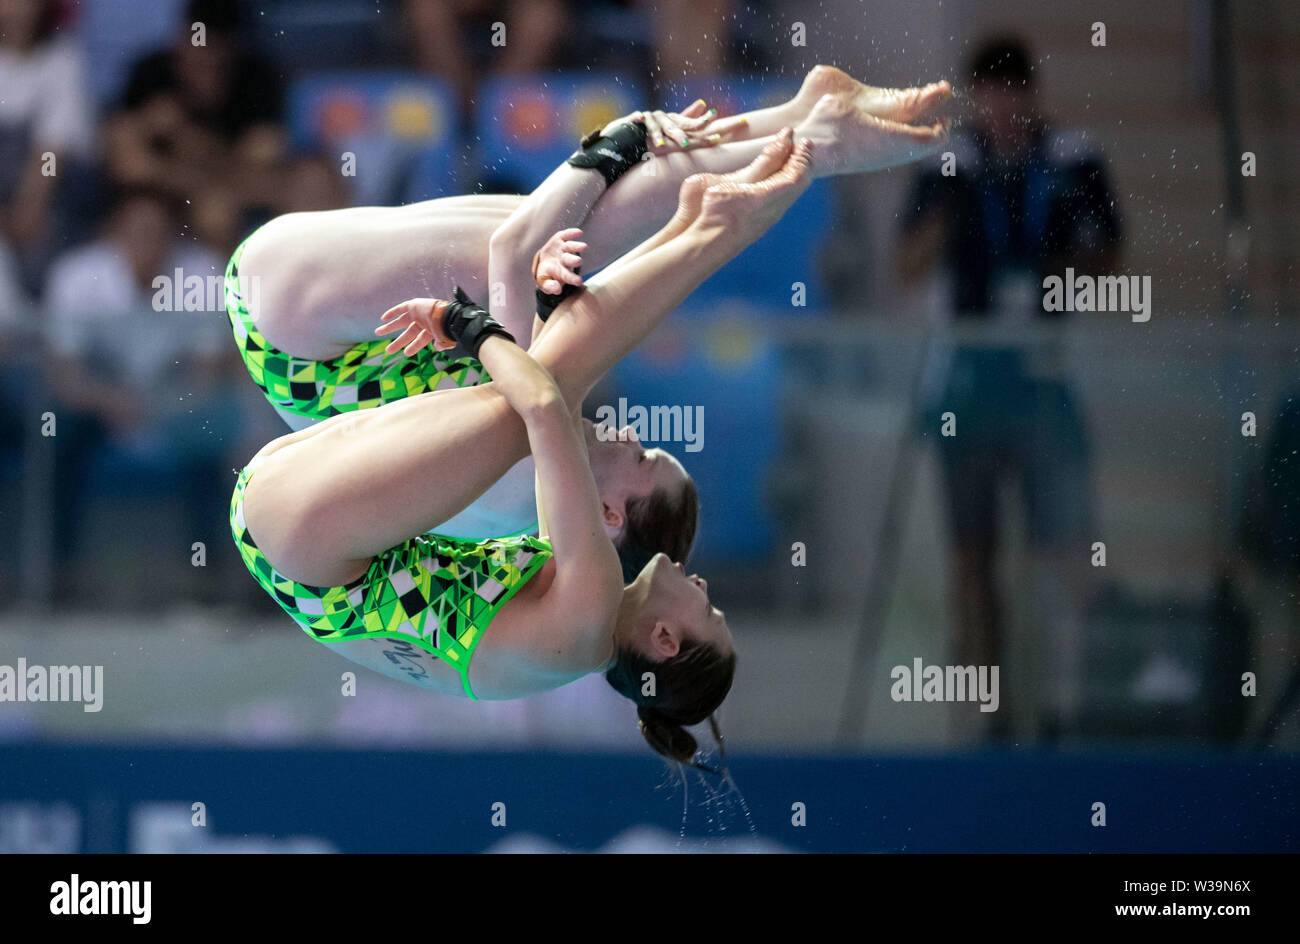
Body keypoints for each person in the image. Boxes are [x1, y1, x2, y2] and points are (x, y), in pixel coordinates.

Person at [232, 140, 818, 768]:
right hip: (306, 551)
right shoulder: (578, 614)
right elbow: (540, 394)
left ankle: (718, 230)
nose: (702, 583)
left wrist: (467, 325)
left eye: (711, 609)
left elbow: (540, 404)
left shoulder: (591, 609)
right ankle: (701, 225)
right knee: (536, 397)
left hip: (317, 549)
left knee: (537, 404)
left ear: (667, 639)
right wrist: (528, 310)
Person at [225, 65, 951, 567]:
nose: (634, 434)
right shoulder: (542, 453)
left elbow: (512, 254)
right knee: (570, 238)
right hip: (341, 352)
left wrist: (622, 139)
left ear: (608, 516)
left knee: (537, 243)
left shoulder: (524, 463)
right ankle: (799, 121)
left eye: (639, 460)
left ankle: (813, 141)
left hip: (289, 329)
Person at [896, 37, 1122, 740]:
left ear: (1029, 93)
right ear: (975, 96)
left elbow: (1110, 260)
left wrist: (1060, 260)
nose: (1000, 108)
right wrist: (951, 209)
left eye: (1011, 92)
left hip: (1043, 373)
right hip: (969, 380)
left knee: (1055, 551)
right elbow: (908, 264)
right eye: (988, 93)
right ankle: (988, 710)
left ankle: (1055, 704)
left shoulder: (1073, 159)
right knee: (972, 557)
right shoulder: (949, 163)